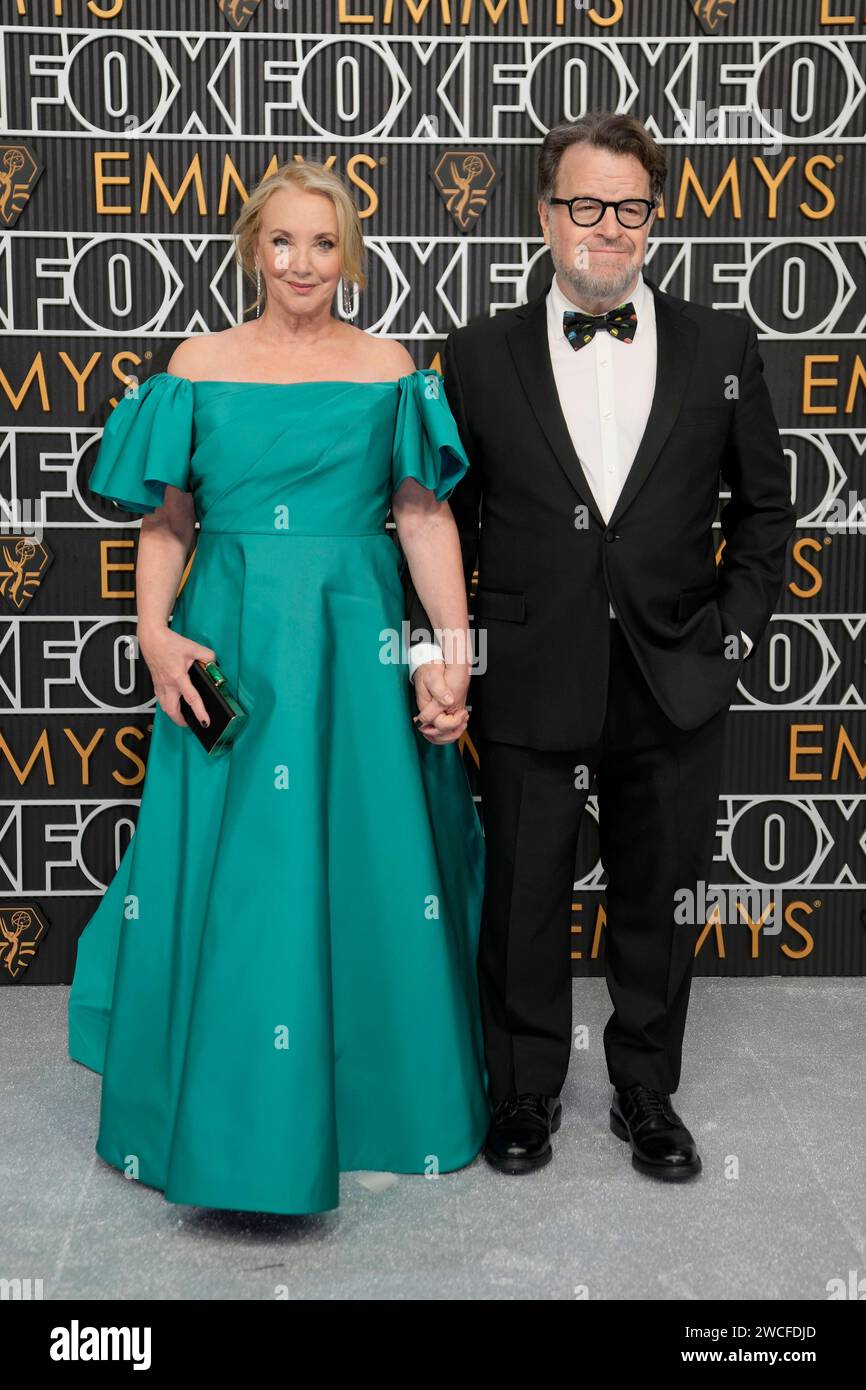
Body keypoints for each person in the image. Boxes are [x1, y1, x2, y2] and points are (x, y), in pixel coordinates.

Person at [68, 160, 490, 1215]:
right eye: (283, 241)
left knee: (368, 853)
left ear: (349, 253)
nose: (303, 262)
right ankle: (229, 1120)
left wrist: (452, 646)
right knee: (242, 870)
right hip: (233, 642)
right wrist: (156, 633)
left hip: (354, 634)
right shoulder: (196, 364)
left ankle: (377, 1107)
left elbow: (424, 516)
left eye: (324, 242)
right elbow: (167, 520)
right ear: (253, 248)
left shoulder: (391, 364)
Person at [406, 113, 797, 1181]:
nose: (606, 226)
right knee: (523, 894)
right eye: (584, 204)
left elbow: (766, 511)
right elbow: (443, 519)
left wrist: (731, 637)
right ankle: (523, 1091)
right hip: (528, 670)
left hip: (675, 670)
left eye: (627, 206)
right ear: (543, 215)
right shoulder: (476, 353)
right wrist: (445, 652)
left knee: (657, 893)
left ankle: (643, 1092)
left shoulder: (719, 343)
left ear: (652, 216)